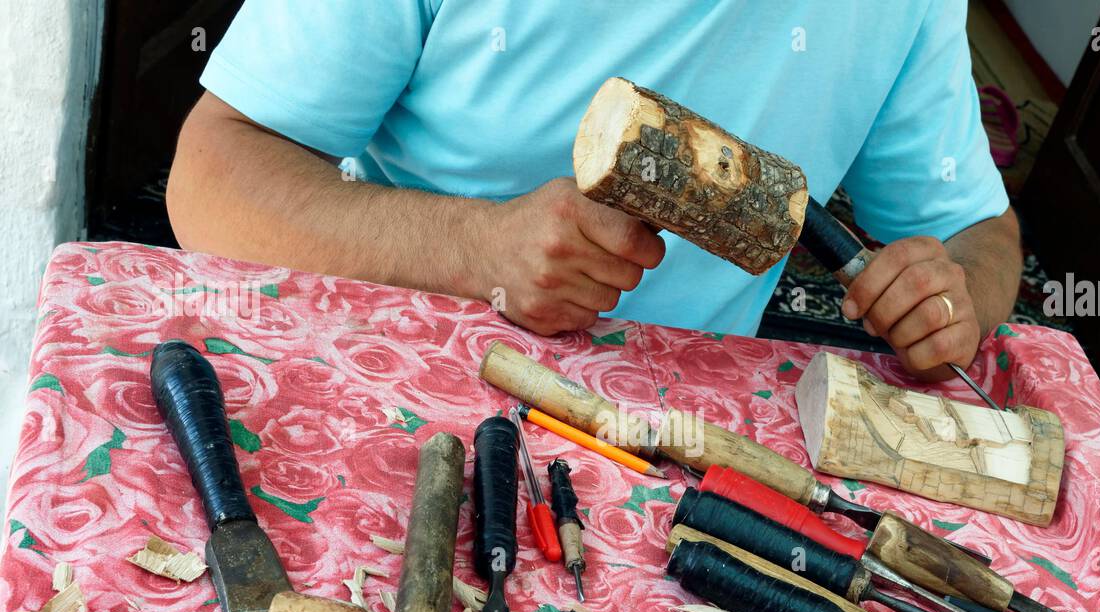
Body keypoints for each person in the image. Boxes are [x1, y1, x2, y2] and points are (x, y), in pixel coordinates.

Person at [168, 0, 1021, 381]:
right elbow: (212, 177)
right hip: (389, 375)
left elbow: (976, 229)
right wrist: (477, 249)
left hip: (670, 440)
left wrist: (953, 299)